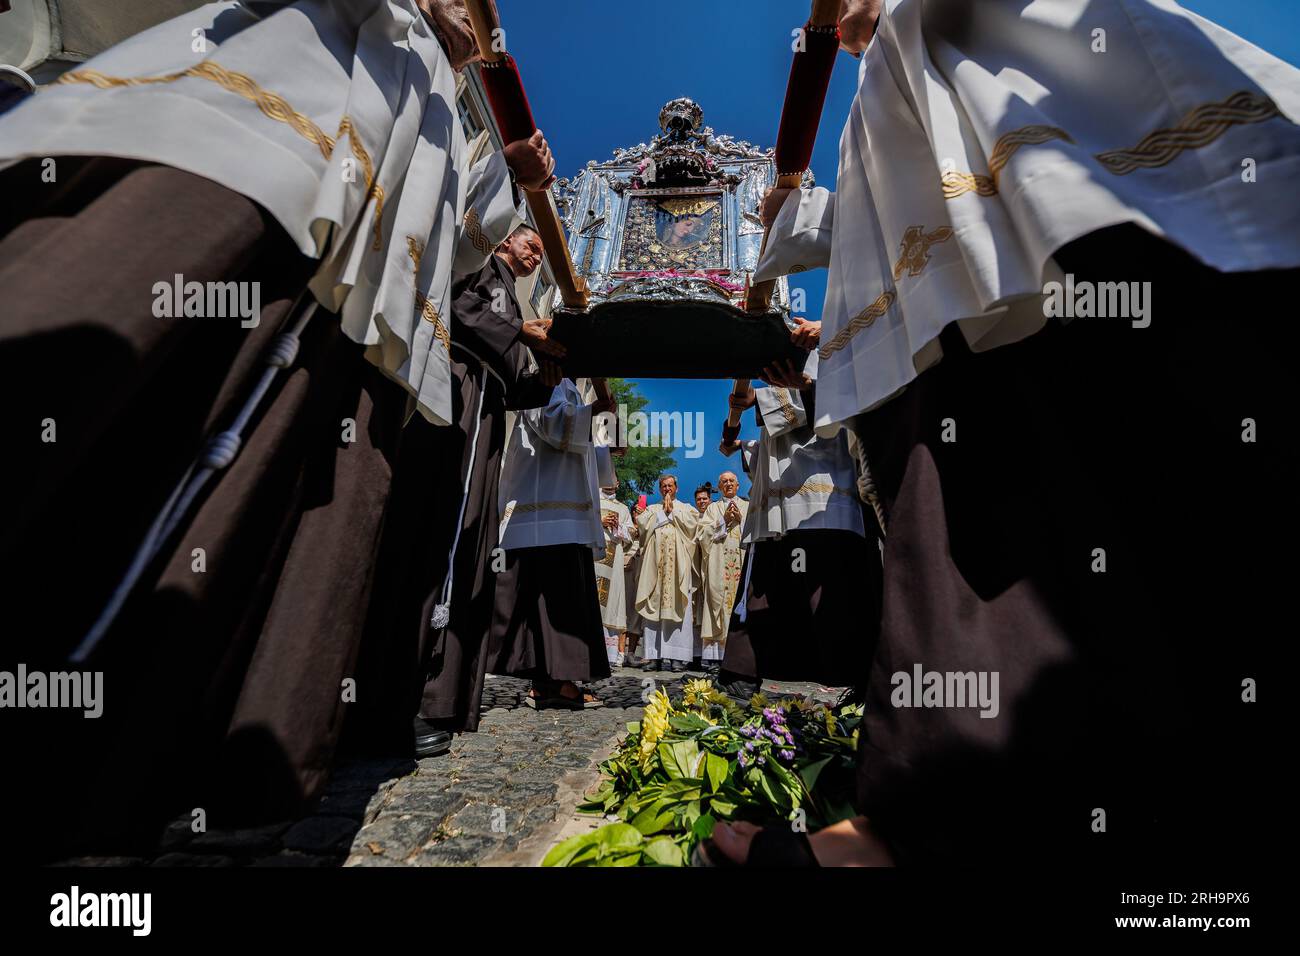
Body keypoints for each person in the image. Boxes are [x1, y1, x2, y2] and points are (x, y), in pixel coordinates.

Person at [700, 0, 1300, 866]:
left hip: (1055, 191)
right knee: (974, 483)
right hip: (967, 272)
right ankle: (946, 802)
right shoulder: (896, 75)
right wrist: (791, 219)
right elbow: (883, 212)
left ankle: (953, 808)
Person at [0, 0, 555, 857]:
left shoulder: (444, 90)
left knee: (257, 516)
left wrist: (509, 181)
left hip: (354, 303)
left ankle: (172, 764)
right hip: (258, 160)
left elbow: (457, 245)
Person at [353, 224, 566, 757]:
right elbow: (451, 304)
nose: (534, 255)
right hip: (454, 396)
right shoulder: (476, 264)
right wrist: (520, 335)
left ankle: (440, 696)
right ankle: (404, 694)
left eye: (540, 252)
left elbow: (518, 383)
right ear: (502, 239)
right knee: (436, 531)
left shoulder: (513, 299)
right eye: (530, 244)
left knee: (467, 537)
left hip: (487, 416)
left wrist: (549, 372)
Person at [718, 375, 878, 695]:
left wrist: (758, 400)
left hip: (822, 500)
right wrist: (737, 439)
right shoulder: (776, 367)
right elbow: (769, 443)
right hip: (777, 511)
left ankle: (856, 682)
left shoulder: (824, 358)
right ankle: (742, 675)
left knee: (831, 605)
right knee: (763, 594)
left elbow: (833, 397)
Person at [489, 377, 615, 708]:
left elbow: (603, 445)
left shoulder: (575, 387)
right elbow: (553, 424)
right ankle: (555, 683)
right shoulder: (548, 378)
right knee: (557, 596)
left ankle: (546, 682)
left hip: (561, 508)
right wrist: (597, 412)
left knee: (550, 595)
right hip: (547, 507)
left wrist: (604, 411)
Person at [634, 475, 700, 673]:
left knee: (678, 608)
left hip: (678, 568)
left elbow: (692, 528)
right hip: (655, 569)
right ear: (659, 489)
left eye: (670, 485)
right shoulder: (652, 510)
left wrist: (673, 513)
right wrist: (663, 512)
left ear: (676, 488)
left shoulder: (687, 508)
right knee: (654, 609)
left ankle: (676, 657)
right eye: (663, 486)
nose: (667, 489)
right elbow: (643, 528)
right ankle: (653, 656)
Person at [694, 470, 749, 675]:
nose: (728, 484)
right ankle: (715, 657)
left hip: (741, 563)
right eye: (724, 481)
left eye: (731, 481)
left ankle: (740, 656)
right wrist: (724, 520)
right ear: (720, 486)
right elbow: (703, 535)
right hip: (718, 565)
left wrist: (741, 520)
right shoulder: (712, 509)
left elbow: (755, 531)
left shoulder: (746, 506)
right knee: (717, 601)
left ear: (737, 485)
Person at [594, 483, 635, 668]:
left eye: (614, 480)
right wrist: (599, 522)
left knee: (611, 602)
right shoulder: (592, 501)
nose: (610, 483)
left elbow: (631, 536)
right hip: (593, 558)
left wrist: (619, 526)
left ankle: (609, 654)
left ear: (617, 483)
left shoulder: (623, 508)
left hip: (613, 561)